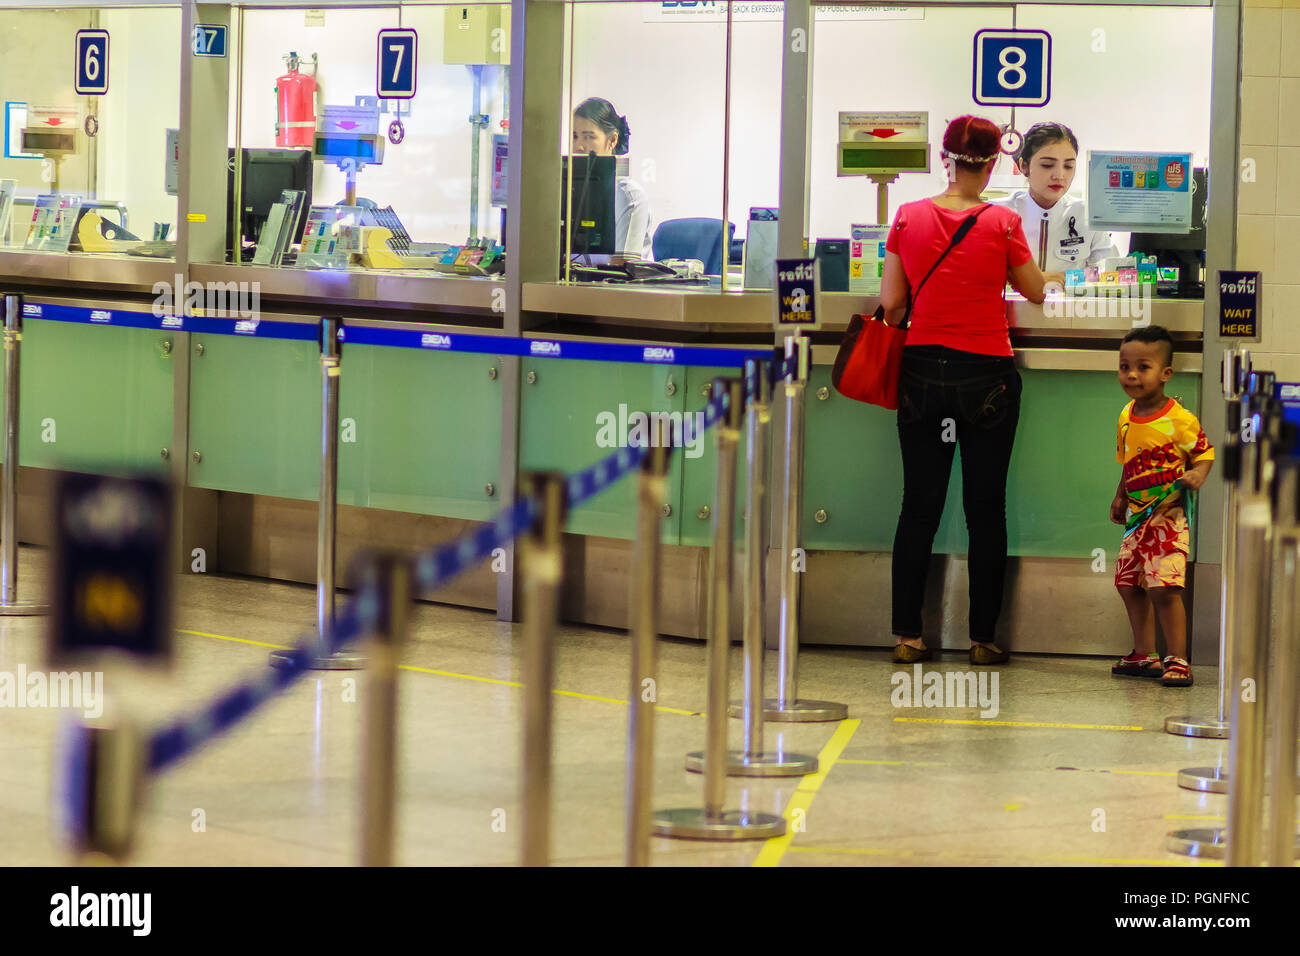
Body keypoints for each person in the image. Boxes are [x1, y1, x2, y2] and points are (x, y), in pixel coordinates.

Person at [881, 115, 1046, 666]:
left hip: (921, 373)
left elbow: (893, 303)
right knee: (986, 509)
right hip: (987, 376)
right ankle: (984, 639)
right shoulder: (1002, 222)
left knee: (917, 507)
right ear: (995, 162)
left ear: (943, 159)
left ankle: (908, 635)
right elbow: (1035, 292)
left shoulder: (907, 217)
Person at [1109, 325, 1213, 687]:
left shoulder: (1180, 419)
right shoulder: (1125, 415)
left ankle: (1178, 659)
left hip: (1169, 519)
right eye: (1124, 366)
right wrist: (1120, 495)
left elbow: (1204, 454)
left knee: (1164, 588)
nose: (1132, 375)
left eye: (1143, 367)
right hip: (1137, 519)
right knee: (1127, 583)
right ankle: (1144, 654)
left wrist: (1198, 475)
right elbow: (1127, 461)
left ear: (1166, 373)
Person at [993, 121, 1117, 288]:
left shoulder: (1087, 214)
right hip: (1011, 311)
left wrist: (1067, 278)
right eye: (1047, 165)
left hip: (1071, 312)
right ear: (1024, 166)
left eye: (1068, 166)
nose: (1060, 175)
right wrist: (1039, 279)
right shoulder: (998, 213)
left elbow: (1108, 272)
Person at [571, 97, 654, 263]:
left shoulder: (628, 195)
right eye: (575, 136)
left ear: (612, 140)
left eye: (588, 137)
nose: (579, 146)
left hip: (613, 287)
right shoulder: (569, 190)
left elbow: (621, 268)